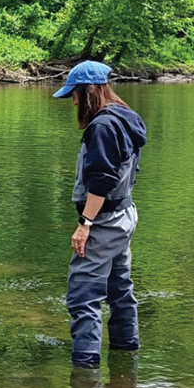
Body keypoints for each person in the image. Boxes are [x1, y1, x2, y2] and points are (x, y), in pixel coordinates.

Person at [53, 61, 147, 368]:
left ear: (90, 91)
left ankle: (84, 373)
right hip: (124, 216)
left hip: (104, 222)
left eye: (77, 95)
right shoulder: (126, 117)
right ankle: (126, 356)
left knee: (83, 296)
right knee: (120, 289)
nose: (75, 102)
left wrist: (85, 224)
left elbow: (102, 180)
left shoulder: (103, 126)